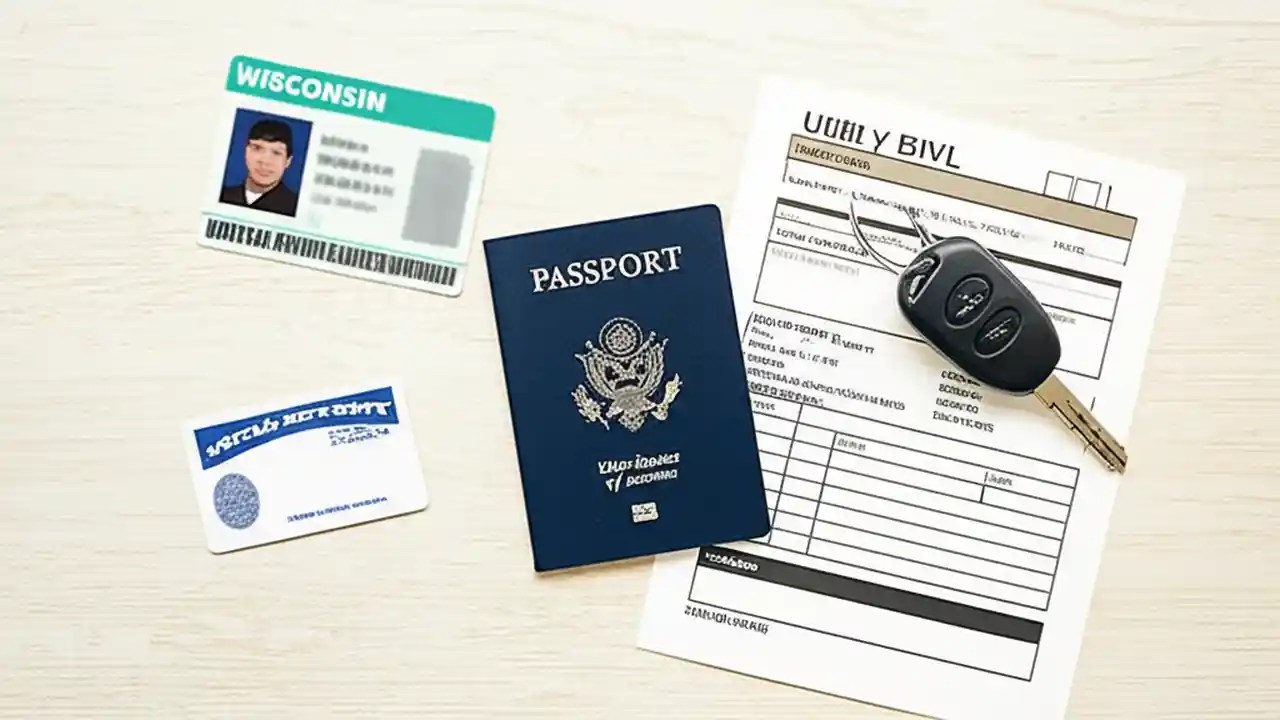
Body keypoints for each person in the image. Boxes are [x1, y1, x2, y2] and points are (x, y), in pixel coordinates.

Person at [219, 118, 299, 216]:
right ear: (245, 152)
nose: (265, 161)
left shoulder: (295, 208)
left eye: (276, 153)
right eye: (257, 148)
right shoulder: (221, 195)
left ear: (288, 161)